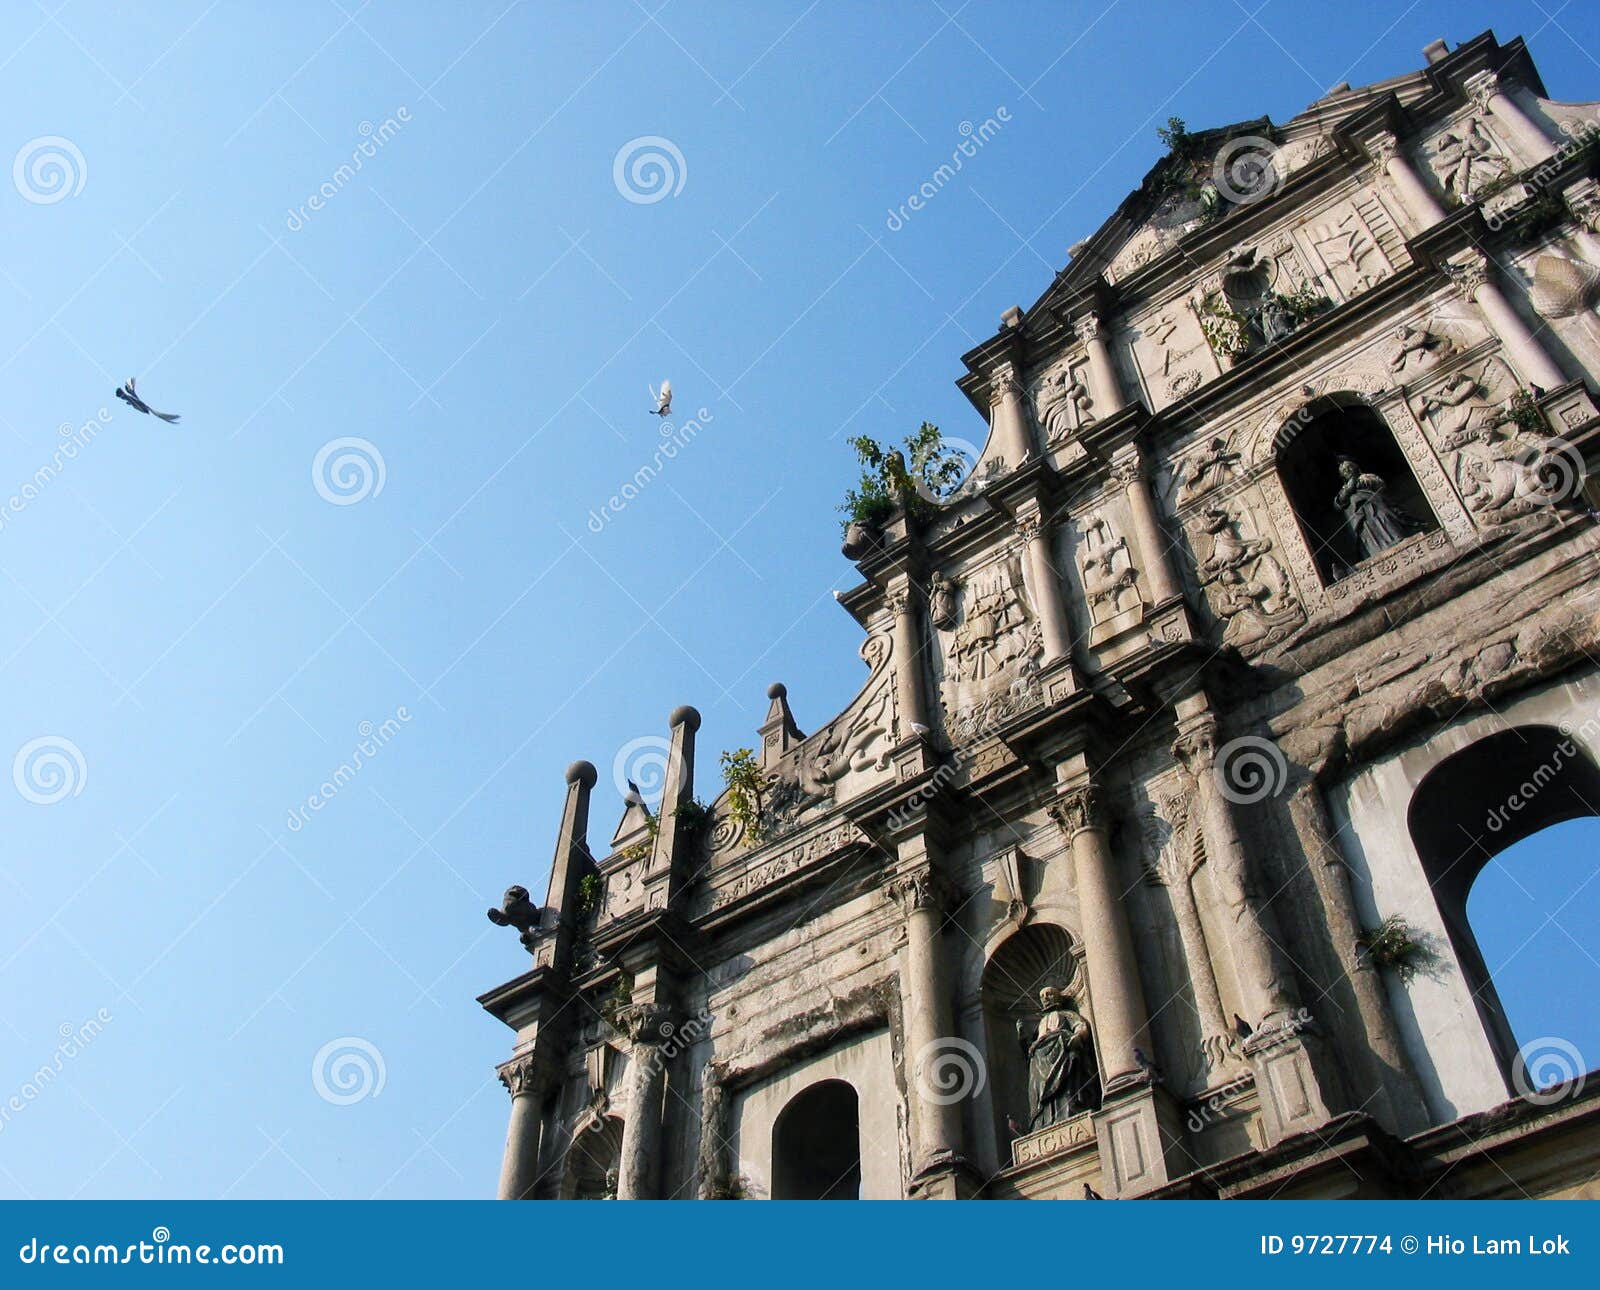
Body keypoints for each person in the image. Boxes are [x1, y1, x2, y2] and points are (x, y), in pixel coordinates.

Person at [1335, 457, 1424, 558]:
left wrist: (1356, 482)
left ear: (1355, 468)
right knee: (1368, 535)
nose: (1348, 471)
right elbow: (1338, 503)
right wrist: (1348, 489)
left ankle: (1397, 540)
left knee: (1386, 521)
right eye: (1345, 471)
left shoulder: (1366, 477)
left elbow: (1380, 484)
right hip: (1361, 518)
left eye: (1350, 468)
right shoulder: (1344, 490)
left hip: (1377, 508)